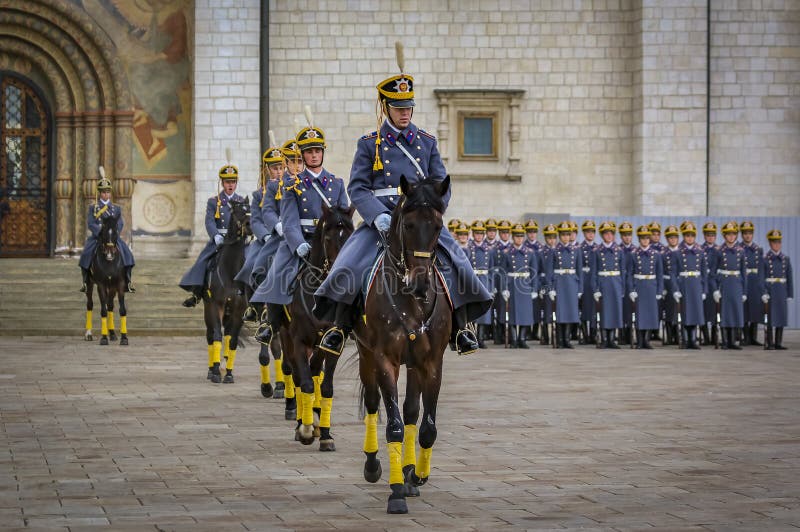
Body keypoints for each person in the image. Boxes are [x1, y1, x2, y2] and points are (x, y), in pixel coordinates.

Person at [312, 60, 491, 357]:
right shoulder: (370, 144)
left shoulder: (427, 142)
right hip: (381, 219)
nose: (405, 112)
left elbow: (442, 184)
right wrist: (376, 216)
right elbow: (357, 187)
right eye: (398, 107)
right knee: (348, 264)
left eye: (408, 106)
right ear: (386, 108)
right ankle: (340, 328)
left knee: (458, 262)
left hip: (418, 220)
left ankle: (461, 328)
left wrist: (432, 212)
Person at [253, 122, 349, 346]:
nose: (313, 155)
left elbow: (344, 217)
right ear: (303, 155)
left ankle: (350, 320)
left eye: (317, 151)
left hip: (329, 241)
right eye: (308, 152)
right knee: (278, 271)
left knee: (353, 271)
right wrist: (297, 245)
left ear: (322, 152)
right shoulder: (292, 185)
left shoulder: (336, 183)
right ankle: (271, 322)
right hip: (303, 240)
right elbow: (288, 222)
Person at [179, 160, 244, 307]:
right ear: (222, 183)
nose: (230, 185)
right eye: (227, 182)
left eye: (233, 182)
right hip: (219, 240)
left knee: (251, 260)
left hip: (236, 241)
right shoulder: (214, 201)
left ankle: (253, 297)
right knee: (203, 261)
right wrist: (215, 235)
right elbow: (209, 221)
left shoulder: (241, 201)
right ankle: (197, 292)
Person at [236, 138, 285, 321]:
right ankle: (255, 305)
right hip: (267, 238)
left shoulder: (292, 186)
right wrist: (265, 236)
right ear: (267, 170)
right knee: (250, 265)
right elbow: (256, 220)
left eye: (281, 168)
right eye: (274, 168)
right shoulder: (259, 195)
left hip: (288, 235)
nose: (279, 172)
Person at [78, 170, 136, 293]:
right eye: (104, 192)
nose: (106, 195)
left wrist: (113, 233)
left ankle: (128, 281)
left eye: (108, 192)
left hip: (112, 238)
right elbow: (91, 223)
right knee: (86, 255)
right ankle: (85, 281)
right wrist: (101, 232)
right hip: (98, 237)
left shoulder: (116, 208)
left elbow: (120, 223)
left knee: (127, 255)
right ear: (100, 193)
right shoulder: (93, 208)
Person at [499, 223, 538, 348]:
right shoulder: (506, 252)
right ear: (512, 237)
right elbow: (502, 272)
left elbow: (534, 272)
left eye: (521, 236)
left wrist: (534, 289)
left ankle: (522, 338)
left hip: (525, 285)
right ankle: (514, 339)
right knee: (512, 313)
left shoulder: (530, 253)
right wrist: (504, 288)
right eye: (516, 236)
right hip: (512, 285)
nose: (519, 238)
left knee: (525, 313)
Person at [710, 221, 748, 349]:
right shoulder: (719, 251)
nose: (731, 237)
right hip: (724, 284)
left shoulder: (741, 251)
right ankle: (725, 341)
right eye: (728, 234)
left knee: (736, 312)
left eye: (733, 234)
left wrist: (744, 292)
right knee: (725, 313)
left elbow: (744, 273)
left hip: (737, 284)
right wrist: (715, 289)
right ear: (724, 236)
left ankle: (733, 341)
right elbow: (713, 273)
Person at [545, 221, 583, 348]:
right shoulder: (554, 250)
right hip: (559, 283)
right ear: (559, 236)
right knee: (560, 312)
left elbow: (579, 270)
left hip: (572, 282)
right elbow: (549, 271)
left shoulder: (576, 251)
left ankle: (567, 339)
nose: (565, 237)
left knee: (571, 312)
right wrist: (550, 288)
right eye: (563, 235)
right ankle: (560, 340)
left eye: (568, 234)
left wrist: (580, 288)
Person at [627, 225, 664, 349]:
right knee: (639, 314)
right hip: (639, 286)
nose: (645, 240)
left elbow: (659, 274)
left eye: (647, 238)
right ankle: (639, 340)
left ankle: (647, 340)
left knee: (650, 314)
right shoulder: (633, 254)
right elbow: (630, 274)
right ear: (639, 239)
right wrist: (631, 289)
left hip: (651, 286)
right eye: (642, 238)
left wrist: (659, 290)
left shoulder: (656, 254)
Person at [592, 221, 626, 348]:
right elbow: (594, 272)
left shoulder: (619, 250)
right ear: (602, 235)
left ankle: (612, 339)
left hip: (615, 283)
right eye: (606, 234)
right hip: (603, 283)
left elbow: (623, 271)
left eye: (611, 233)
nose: (609, 236)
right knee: (604, 312)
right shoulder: (597, 251)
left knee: (615, 311)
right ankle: (604, 339)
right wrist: (595, 288)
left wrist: (622, 288)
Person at [674, 221, 707, 349]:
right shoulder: (677, 253)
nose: (690, 238)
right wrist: (675, 289)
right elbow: (673, 273)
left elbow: (704, 273)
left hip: (696, 284)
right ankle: (685, 340)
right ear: (684, 236)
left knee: (695, 312)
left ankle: (693, 340)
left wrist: (704, 290)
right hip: (684, 284)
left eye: (692, 235)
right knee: (685, 312)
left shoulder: (700, 252)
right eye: (687, 235)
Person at [763, 229, 793, 350]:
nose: (776, 244)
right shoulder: (765, 259)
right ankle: (770, 342)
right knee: (770, 318)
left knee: (781, 316)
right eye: (774, 242)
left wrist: (790, 294)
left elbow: (789, 277)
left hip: (781, 290)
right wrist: (764, 292)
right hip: (770, 290)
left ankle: (778, 342)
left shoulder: (786, 259)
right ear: (770, 243)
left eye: (778, 242)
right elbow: (761, 277)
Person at [468, 220, 494, 348]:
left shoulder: (489, 250)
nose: (479, 236)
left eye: (481, 234)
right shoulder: (469, 249)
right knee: (472, 309)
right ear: (473, 234)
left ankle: (481, 337)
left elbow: (493, 269)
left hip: (484, 280)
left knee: (484, 312)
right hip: (473, 280)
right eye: (476, 234)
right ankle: (472, 337)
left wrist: (492, 286)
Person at [739, 221, 764, 345]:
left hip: (755, 281)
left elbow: (761, 268)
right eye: (745, 233)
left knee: (755, 309)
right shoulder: (738, 248)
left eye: (750, 233)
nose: (747, 236)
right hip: (744, 280)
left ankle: (753, 337)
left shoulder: (758, 249)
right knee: (743, 309)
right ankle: (745, 337)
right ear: (742, 235)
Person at [523, 219, 543, 341]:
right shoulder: (523, 246)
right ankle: (527, 331)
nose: (532, 234)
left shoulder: (540, 247)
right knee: (526, 307)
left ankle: (535, 331)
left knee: (536, 308)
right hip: (524, 281)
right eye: (529, 232)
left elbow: (542, 266)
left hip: (537, 280)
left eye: (534, 232)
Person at [661, 224, 681, 344]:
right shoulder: (663, 254)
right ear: (667, 239)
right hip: (668, 283)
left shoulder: (682, 252)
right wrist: (663, 287)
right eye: (670, 238)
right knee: (669, 310)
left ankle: (678, 335)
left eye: (674, 237)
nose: (672, 240)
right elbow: (661, 272)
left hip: (680, 283)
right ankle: (669, 336)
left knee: (679, 310)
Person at [700, 222, 719, 345]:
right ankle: (705, 337)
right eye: (708, 235)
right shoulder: (700, 249)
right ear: (704, 236)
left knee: (714, 311)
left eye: (712, 235)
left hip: (714, 284)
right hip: (702, 282)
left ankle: (714, 337)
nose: (710, 237)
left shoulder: (720, 250)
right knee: (702, 311)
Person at [578, 220, 597, 343]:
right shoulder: (579, 248)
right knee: (583, 308)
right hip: (584, 279)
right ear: (584, 233)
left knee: (594, 308)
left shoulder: (598, 248)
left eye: (592, 232)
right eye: (588, 232)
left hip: (594, 279)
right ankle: (585, 335)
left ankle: (594, 335)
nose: (590, 234)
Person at [618, 221, 636, 344]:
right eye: (624, 235)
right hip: (620, 281)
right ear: (621, 236)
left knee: (631, 309)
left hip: (633, 282)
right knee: (620, 308)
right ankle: (621, 334)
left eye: (629, 234)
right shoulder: (617, 249)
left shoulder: (636, 250)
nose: (627, 237)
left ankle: (630, 334)